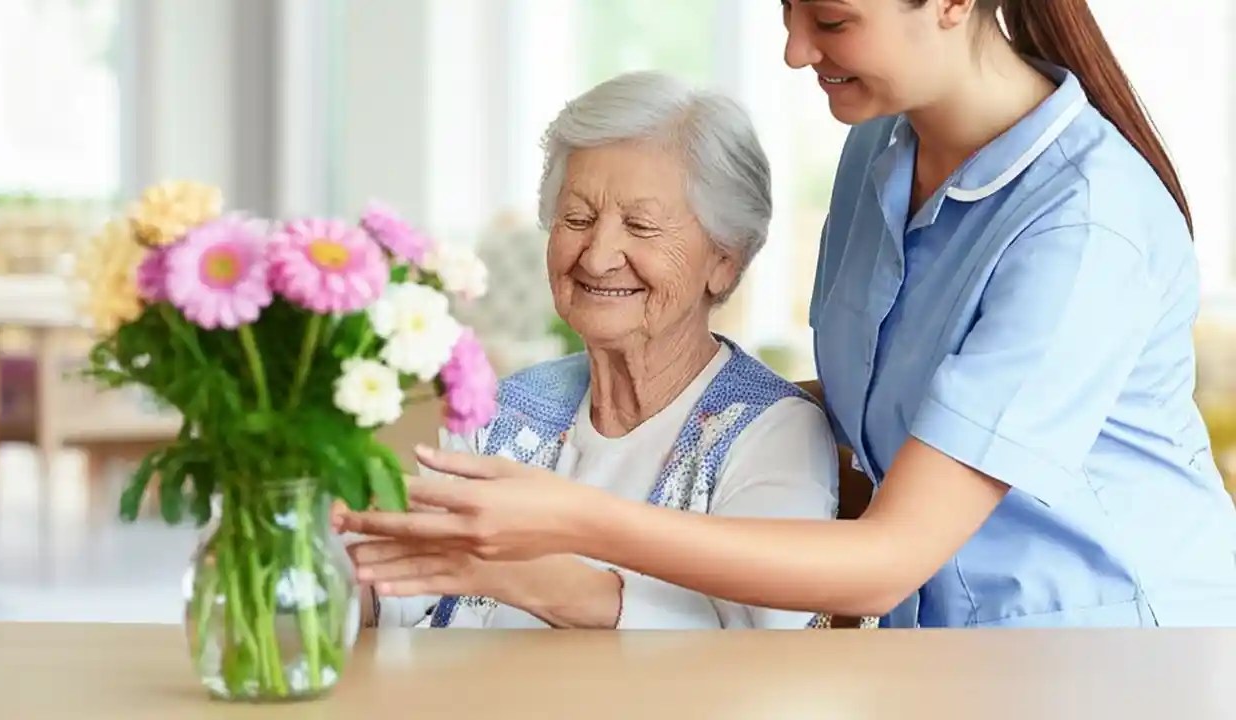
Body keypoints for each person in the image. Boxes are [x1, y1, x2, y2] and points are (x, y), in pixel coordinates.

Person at [336, 0, 1236, 628]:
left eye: (832, 19)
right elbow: (893, 401)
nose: (796, 52)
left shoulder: (1083, 225)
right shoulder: (880, 148)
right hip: (946, 646)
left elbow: (889, 557)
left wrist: (568, 518)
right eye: (786, 11)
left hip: (1110, 649)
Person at [343, 70, 849, 630]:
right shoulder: (503, 410)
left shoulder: (770, 431)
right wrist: (331, 562)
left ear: (725, 259)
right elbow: (403, 586)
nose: (598, 255)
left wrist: (518, 576)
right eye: (577, 219)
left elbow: (766, 637)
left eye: (640, 225)